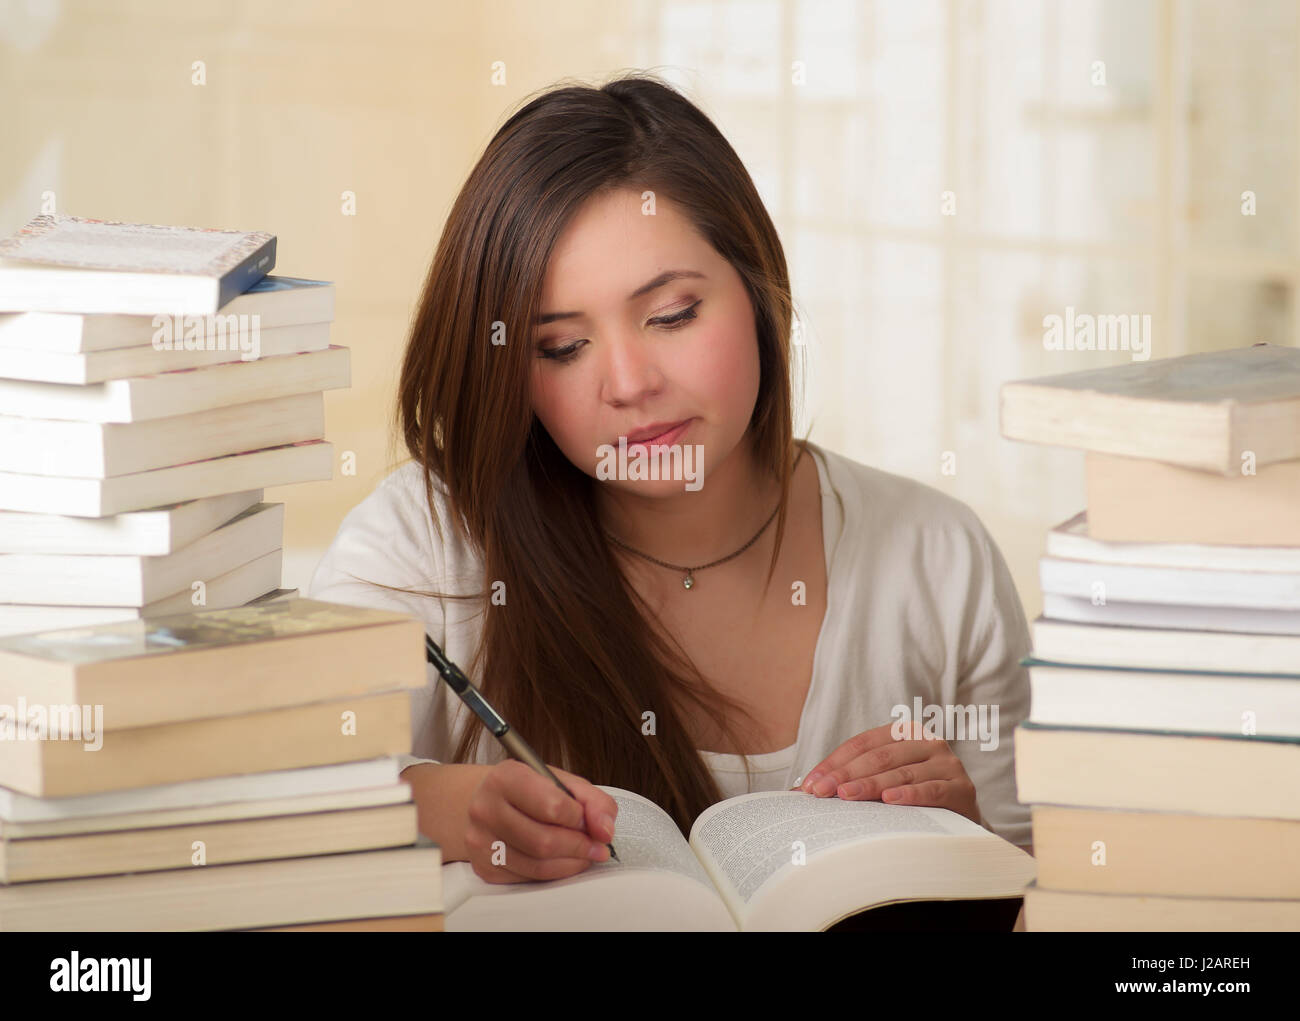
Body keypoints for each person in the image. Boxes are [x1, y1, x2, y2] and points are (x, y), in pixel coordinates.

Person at [307, 72, 1034, 890]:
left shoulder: (939, 558)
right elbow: (272, 798)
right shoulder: (424, 546)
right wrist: (447, 806)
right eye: (560, 347)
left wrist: (962, 838)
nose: (626, 383)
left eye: (671, 315)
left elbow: (1047, 890)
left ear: (759, 291)